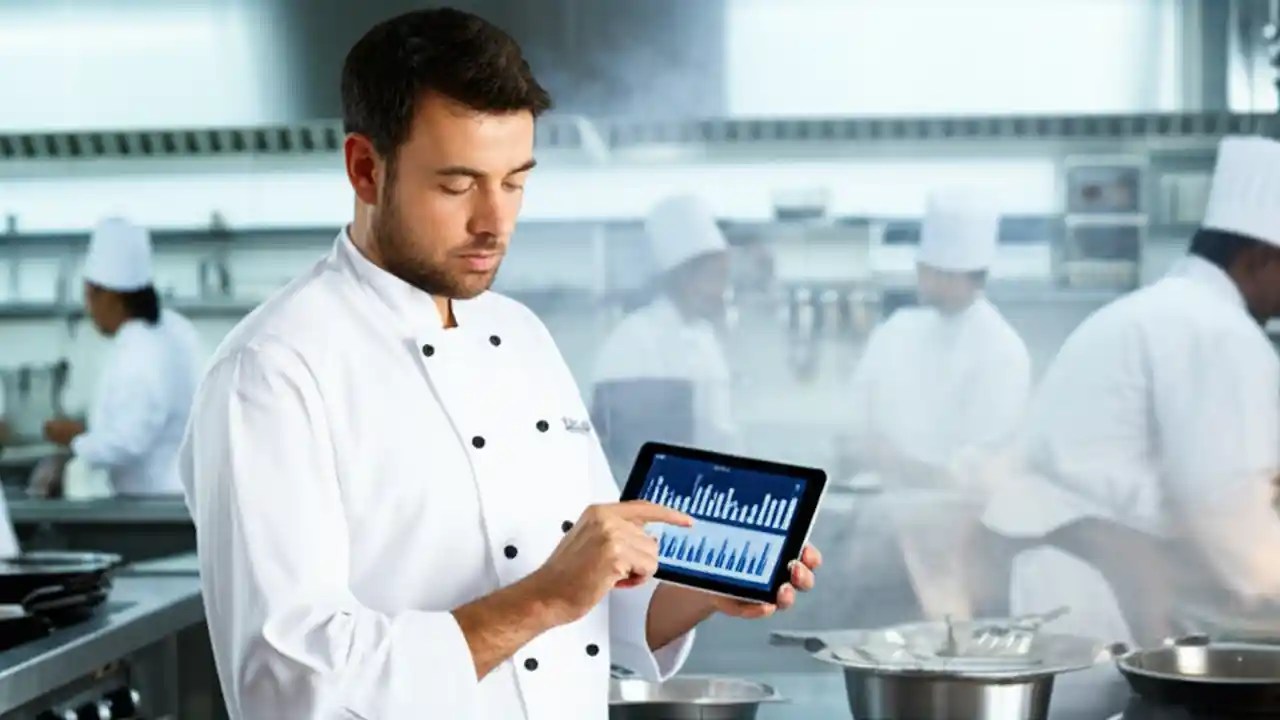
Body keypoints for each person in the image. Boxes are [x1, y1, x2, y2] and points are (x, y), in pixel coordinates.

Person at [178, 9, 821, 719]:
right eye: (458, 186)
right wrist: (544, 595)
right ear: (365, 168)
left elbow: (591, 607)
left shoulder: (521, 336)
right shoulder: (273, 370)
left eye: (515, 181)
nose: (496, 221)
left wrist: (693, 592)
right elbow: (288, 683)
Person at [982, 135, 1280, 648]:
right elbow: (1223, 503)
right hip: (1100, 607)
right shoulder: (1216, 330)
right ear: (1259, 259)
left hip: (1065, 591)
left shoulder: (1160, 309)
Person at [840, 189, 1031, 620]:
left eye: (926, 269)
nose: (919, 277)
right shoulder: (899, 330)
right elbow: (857, 421)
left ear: (952, 273)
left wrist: (900, 464)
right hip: (880, 531)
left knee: (945, 638)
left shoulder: (1001, 349)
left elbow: (973, 473)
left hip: (954, 542)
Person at [42, 218, 201, 497]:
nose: (89, 310)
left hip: (155, 501)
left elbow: (130, 442)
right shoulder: (169, 330)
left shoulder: (139, 353)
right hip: (175, 494)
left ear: (111, 296)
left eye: (90, 297)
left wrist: (75, 439)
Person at [591, 195, 739, 472]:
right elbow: (621, 441)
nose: (721, 291)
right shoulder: (633, 340)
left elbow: (719, 431)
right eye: (714, 278)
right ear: (683, 277)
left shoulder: (704, 337)